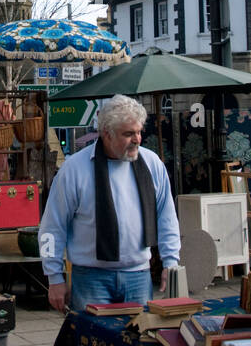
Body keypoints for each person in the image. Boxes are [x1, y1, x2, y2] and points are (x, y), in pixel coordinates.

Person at [39, 94, 181, 312]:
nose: (137, 139)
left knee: (138, 343)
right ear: (106, 133)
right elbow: (51, 227)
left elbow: (167, 218)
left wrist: (171, 263)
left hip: (139, 276)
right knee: (93, 344)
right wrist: (54, 277)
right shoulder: (74, 170)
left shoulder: (152, 164)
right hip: (90, 278)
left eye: (139, 132)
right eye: (128, 134)